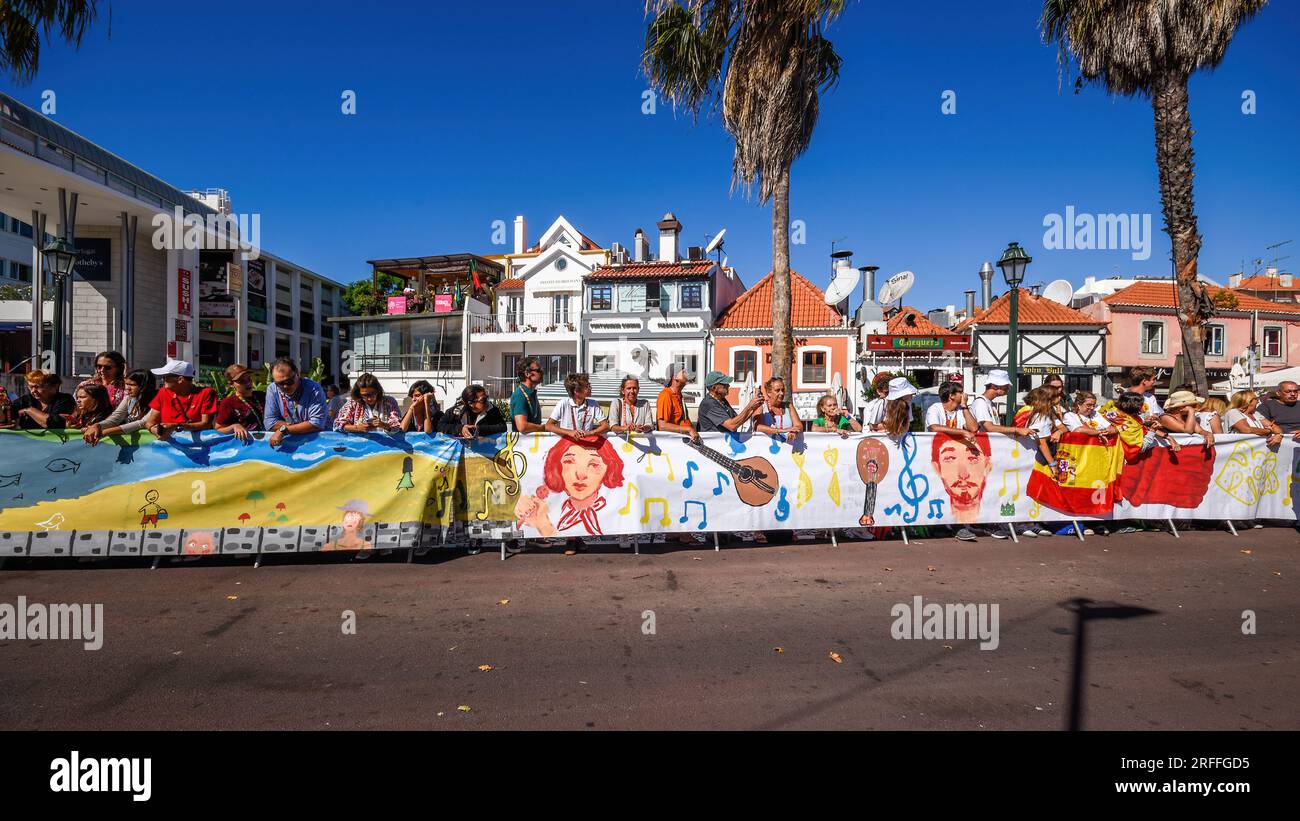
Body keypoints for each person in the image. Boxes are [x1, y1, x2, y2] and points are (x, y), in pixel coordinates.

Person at [514, 436, 626, 554]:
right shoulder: (543, 507)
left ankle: (574, 540)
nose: (580, 474)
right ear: (556, 467)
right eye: (569, 462)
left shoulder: (620, 505)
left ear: (609, 469)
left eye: (593, 464)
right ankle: (572, 540)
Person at [263, 357, 329, 447]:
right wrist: (299, 427)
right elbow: (269, 423)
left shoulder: (314, 389)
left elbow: (316, 424)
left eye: (289, 381)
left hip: (320, 443)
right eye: (280, 383)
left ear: (297, 373)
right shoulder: (272, 389)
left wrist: (283, 430)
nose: (285, 386)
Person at [147, 359, 217, 440]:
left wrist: (177, 426)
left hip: (198, 446)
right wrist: (156, 431)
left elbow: (206, 424)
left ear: (180, 379)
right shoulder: (163, 392)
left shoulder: (206, 393)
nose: (163, 379)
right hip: (168, 447)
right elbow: (150, 423)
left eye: (166, 376)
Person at [84, 369, 158, 445]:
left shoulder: (157, 399)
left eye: (132, 385)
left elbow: (142, 422)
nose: (127, 388)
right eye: (126, 384)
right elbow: (116, 417)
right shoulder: (129, 398)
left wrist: (106, 432)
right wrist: (97, 426)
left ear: (144, 386)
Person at [546, 372, 609, 440]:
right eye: (586, 386)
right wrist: (569, 432)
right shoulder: (563, 403)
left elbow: (606, 426)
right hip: (566, 444)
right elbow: (548, 426)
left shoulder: (593, 404)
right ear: (576, 391)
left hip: (586, 444)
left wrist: (590, 433)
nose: (590, 388)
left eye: (589, 385)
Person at [969, 369, 1031, 438]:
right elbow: (990, 428)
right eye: (1005, 385)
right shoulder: (981, 403)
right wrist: (1017, 430)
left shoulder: (989, 403)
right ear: (995, 386)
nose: (1008, 388)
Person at [333, 373, 401, 434]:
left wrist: (383, 425)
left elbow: (397, 425)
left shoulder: (389, 402)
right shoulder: (353, 403)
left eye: (372, 394)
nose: (369, 399)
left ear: (378, 391)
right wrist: (358, 428)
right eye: (365, 395)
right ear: (359, 394)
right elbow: (337, 424)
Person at [697, 371, 763, 434]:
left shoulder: (722, 400)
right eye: (724, 384)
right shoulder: (709, 404)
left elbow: (739, 420)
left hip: (724, 442)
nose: (728, 386)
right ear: (714, 388)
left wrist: (754, 406)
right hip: (714, 444)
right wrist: (750, 406)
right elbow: (732, 426)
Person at [215, 364, 266, 444]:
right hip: (246, 445)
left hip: (267, 442)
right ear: (231, 384)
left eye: (249, 379)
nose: (248, 383)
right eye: (242, 381)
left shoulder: (263, 396)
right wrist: (234, 426)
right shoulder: (228, 403)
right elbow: (218, 428)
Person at [11, 370, 75, 430]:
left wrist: (29, 410)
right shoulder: (26, 400)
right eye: (30, 387)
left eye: (38, 387)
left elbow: (55, 423)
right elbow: (8, 414)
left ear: (53, 387)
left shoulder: (64, 399)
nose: (33, 391)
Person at [438, 384, 507, 438]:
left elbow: (502, 427)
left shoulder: (492, 410)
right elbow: (440, 425)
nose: (487, 402)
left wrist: (479, 429)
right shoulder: (456, 411)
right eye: (483, 400)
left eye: (487, 398)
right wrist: (460, 429)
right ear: (470, 403)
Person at [656, 365, 699, 440]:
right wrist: (688, 429)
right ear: (675, 377)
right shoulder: (665, 395)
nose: (687, 374)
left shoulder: (679, 395)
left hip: (684, 441)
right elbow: (662, 426)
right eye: (684, 372)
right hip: (673, 443)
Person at [510, 357, 546, 434]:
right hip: (523, 444)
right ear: (527, 374)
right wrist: (544, 428)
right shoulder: (519, 395)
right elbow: (522, 426)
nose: (542, 373)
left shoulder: (531, 393)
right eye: (539, 370)